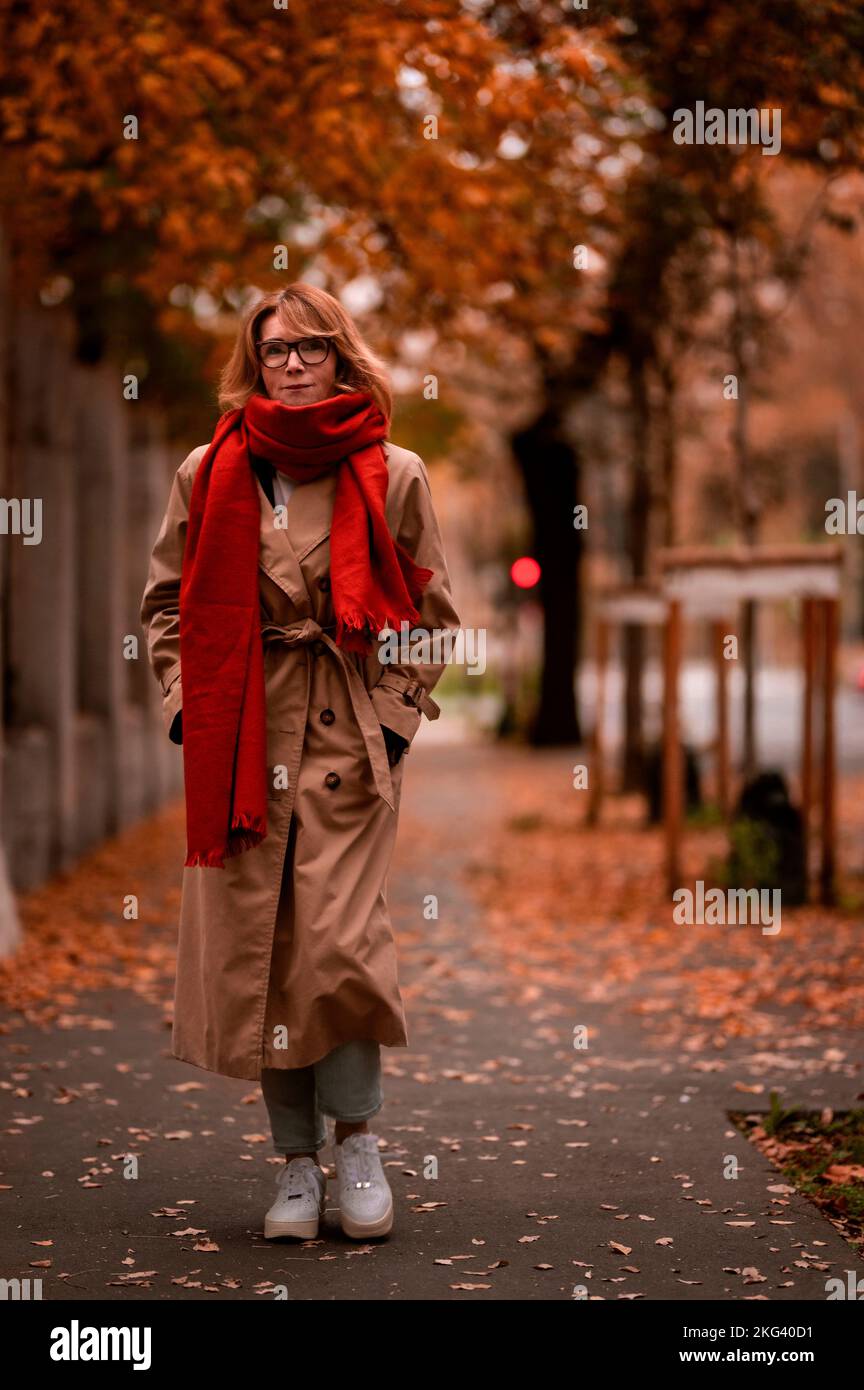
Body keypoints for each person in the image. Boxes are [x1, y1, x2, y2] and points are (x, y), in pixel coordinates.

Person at [140, 283, 460, 1241]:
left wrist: (394, 721)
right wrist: (191, 710)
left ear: (340, 357)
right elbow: (165, 606)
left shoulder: (391, 471)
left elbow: (431, 617)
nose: (291, 363)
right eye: (275, 349)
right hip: (239, 743)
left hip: (347, 746)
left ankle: (357, 1145)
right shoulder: (209, 470)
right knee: (263, 954)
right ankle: (294, 1168)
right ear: (256, 359)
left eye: (310, 348)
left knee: (340, 951)